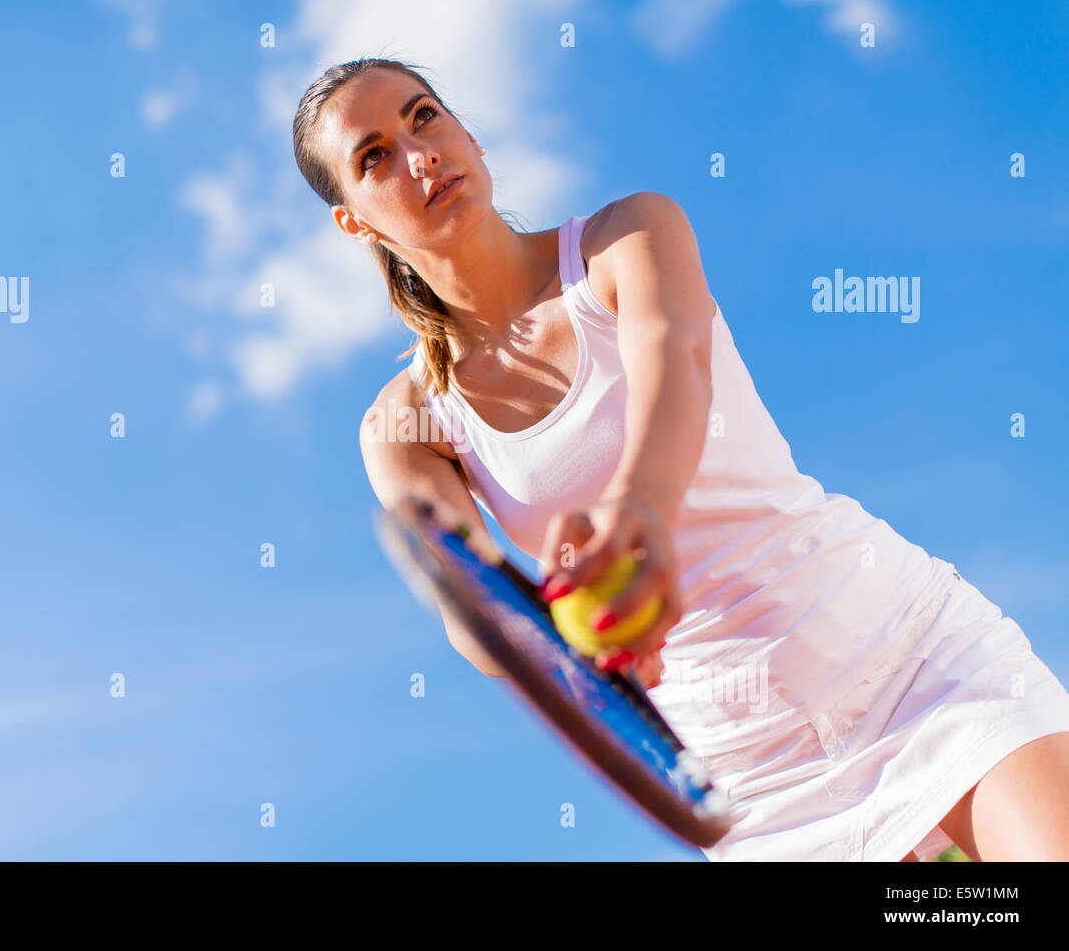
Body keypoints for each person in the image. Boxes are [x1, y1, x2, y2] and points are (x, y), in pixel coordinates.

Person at [292, 55, 1069, 862]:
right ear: (356, 220)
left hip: (907, 658)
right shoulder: (406, 422)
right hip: (747, 782)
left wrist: (639, 513)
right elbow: (477, 612)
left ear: (469, 134)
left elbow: (678, 367)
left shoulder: (625, 236)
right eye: (373, 156)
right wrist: (567, 619)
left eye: (425, 117)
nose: (418, 154)